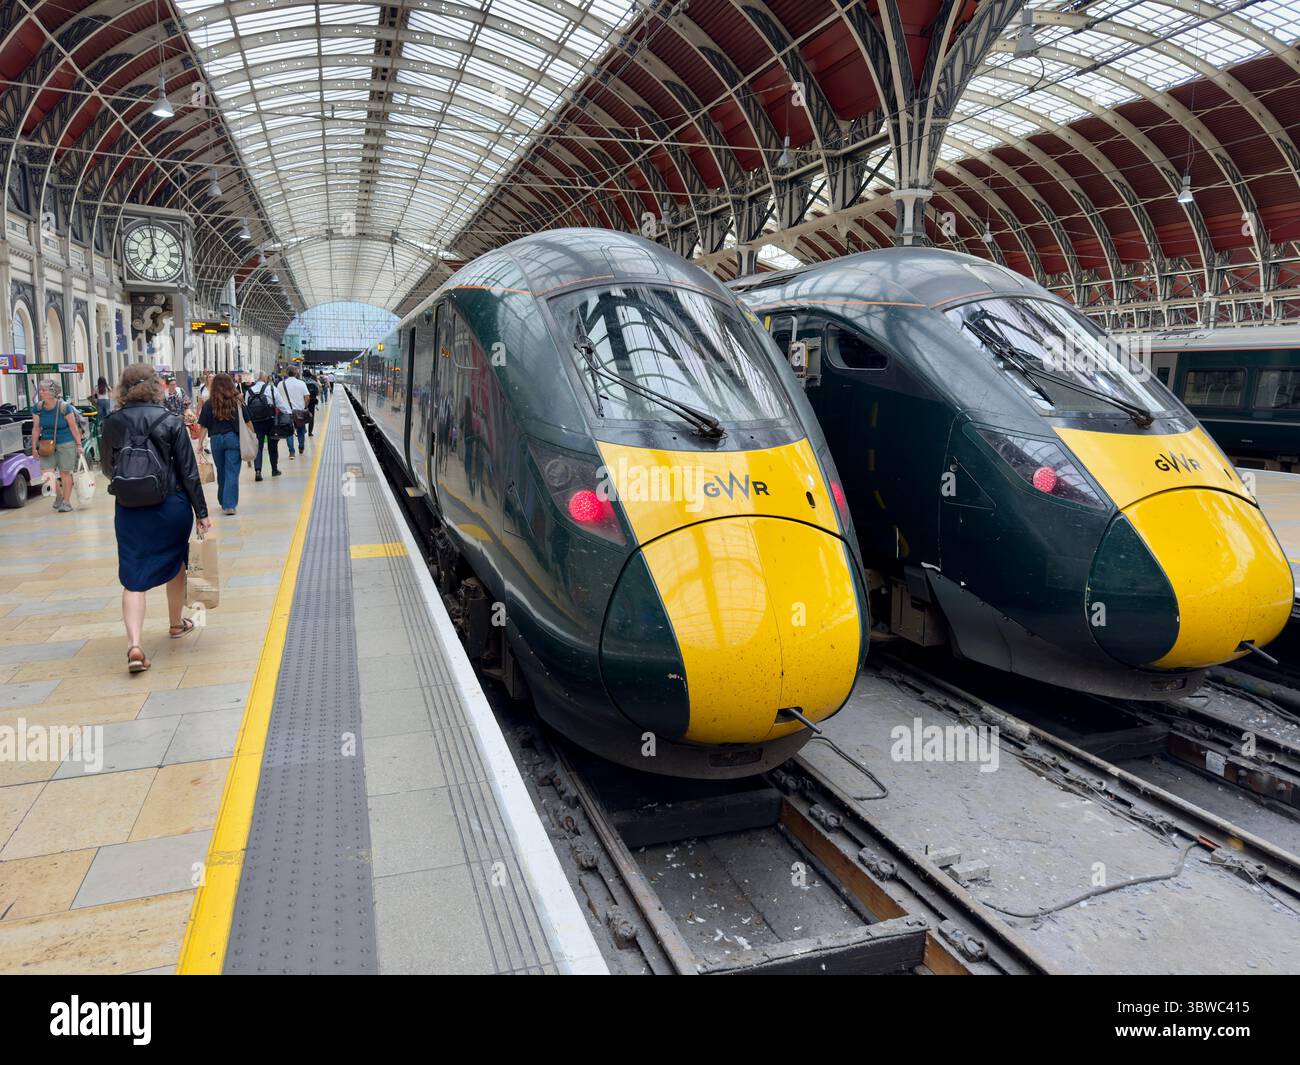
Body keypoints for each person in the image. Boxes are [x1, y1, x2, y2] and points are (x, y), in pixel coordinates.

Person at [100, 364, 210, 673]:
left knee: (133, 576)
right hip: (171, 506)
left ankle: (135, 645)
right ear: (156, 386)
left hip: (130, 508)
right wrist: (201, 513)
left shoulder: (112, 423)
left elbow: (109, 469)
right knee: (175, 563)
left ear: (123, 387)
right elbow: (189, 473)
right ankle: (176, 624)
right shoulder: (170, 421)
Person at [195, 373, 248, 515]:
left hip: (216, 440)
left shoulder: (208, 404)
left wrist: (200, 443)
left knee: (222, 471)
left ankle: (223, 499)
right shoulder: (237, 401)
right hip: (233, 439)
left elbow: (204, 426)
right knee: (232, 472)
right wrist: (252, 437)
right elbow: (247, 421)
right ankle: (229, 504)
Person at [29, 379, 84, 513]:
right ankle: (59, 495)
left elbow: (73, 427)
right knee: (46, 473)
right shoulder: (38, 408)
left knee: (65, 472)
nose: (40, 392)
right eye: (40, 390)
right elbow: (36, 428)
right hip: (46, 444)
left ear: (52, 392)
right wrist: (34, 447)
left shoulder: (65, 407)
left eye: (43, 390)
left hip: (66, 442)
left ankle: (66, 502)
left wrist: (79, 445)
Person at [245, 371, 282, 481]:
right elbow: (280, 403)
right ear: (264, 378)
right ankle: (274, 469)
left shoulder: (249, 391)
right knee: (272, 445)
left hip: (255, 422)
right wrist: (288, 414)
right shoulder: (271, 389)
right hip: (270, 421)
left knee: (258, 447)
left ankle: (258, 471)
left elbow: (246, 407)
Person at [275, 366, 310, 459]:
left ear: (286, 373)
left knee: (289, 432)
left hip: (286, 413)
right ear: (296, 373)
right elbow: (307, 397)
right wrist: (304, 407)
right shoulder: (301, 383)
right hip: (299, 411)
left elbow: (277, 399)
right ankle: (301, 447)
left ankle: (291, 452)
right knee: (301, 430)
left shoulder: (280, 384)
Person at [304, 372, 320, 437]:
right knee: (311, 416)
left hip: (303, 400)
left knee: (301, 415)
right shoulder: (314, 382)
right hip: (312, 400)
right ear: (310, 376)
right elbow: (317, 392)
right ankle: (310, 432)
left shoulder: (301, 382)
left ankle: (303, 430)